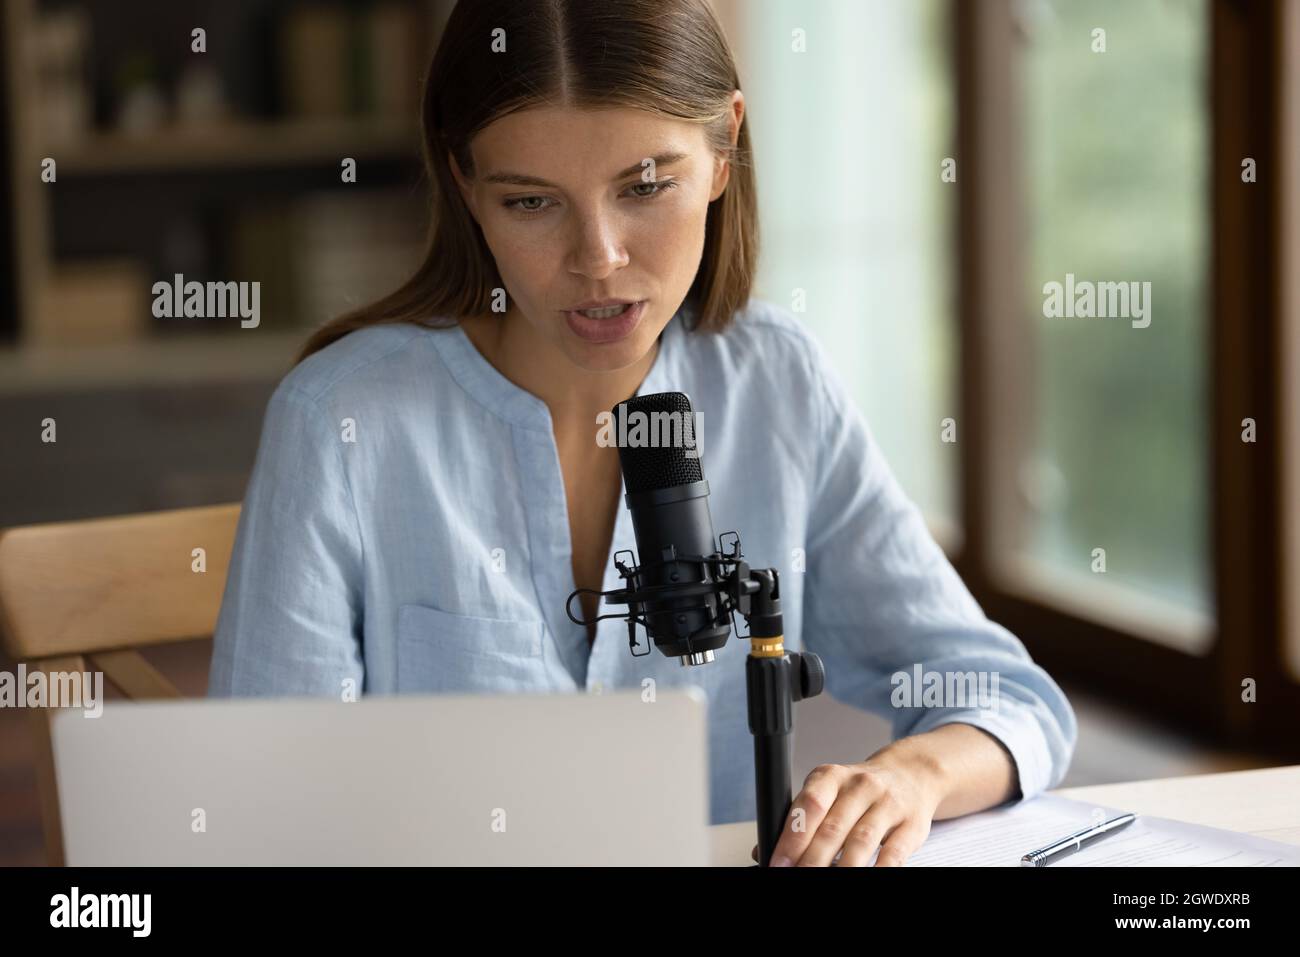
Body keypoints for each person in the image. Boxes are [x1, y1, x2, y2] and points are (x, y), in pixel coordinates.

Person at [208, 0, 1077, 867]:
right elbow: (261, 817)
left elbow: (1005, 698)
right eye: (531, 203)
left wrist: (912, 775)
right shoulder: (340, 421)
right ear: (467, 186)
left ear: (722, 153)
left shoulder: (776, 384)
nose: (599, 259)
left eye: (645, 186)